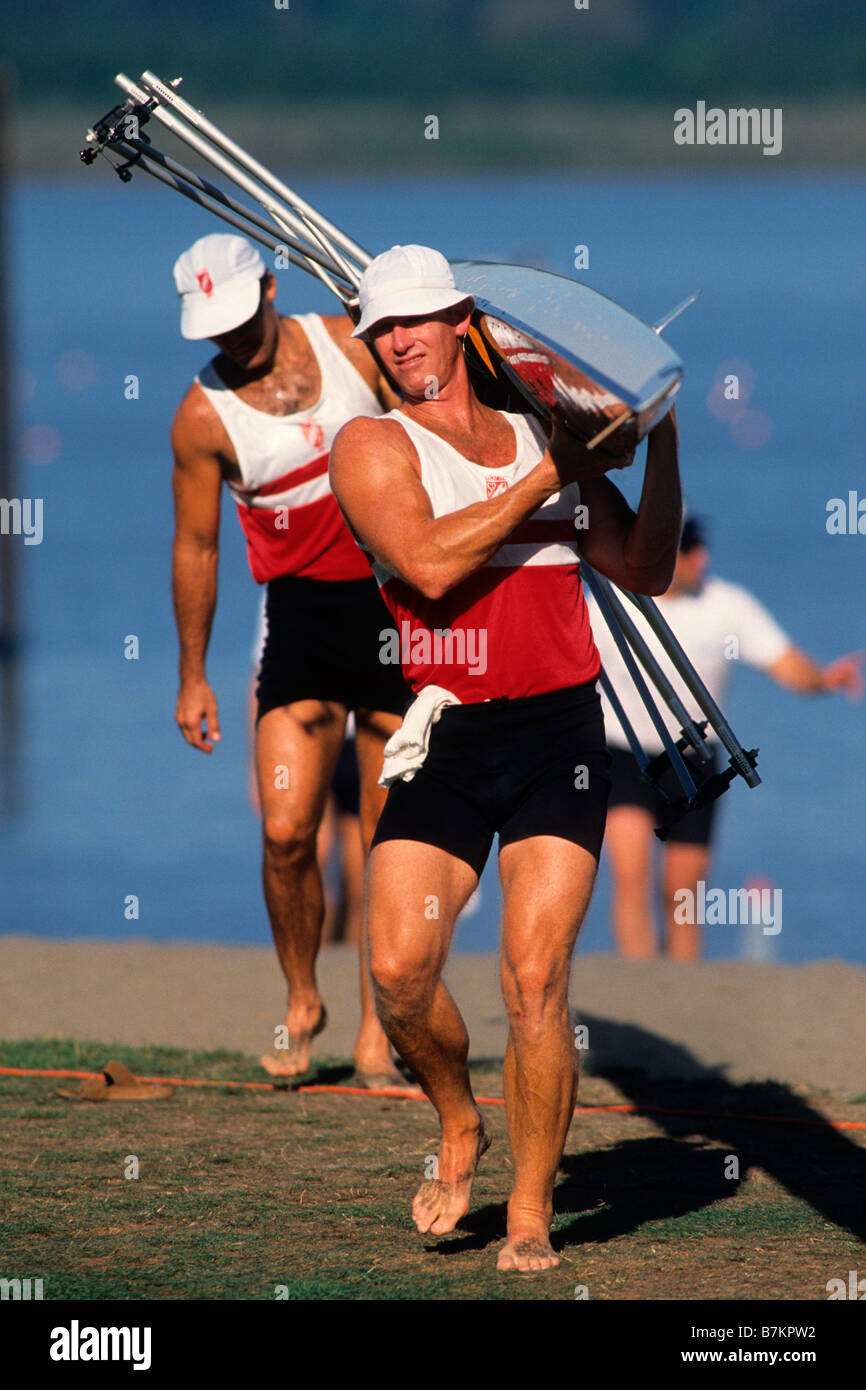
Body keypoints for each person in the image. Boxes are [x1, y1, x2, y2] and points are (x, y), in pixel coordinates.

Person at [330, 244, 682, 1272]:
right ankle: (455, 1114)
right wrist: (550, 475)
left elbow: (644, 570)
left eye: (414, 323)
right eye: (380, 331)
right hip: (445, 731)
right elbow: (429, 567)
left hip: (557, 735)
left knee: (534, 979)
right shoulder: (373, 445)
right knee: (398, 971)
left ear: (461, 323)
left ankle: (528, 1214)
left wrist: (657, 443)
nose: (398, 344)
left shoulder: (544, 428)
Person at [170, 232, 415, 1088]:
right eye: (213, 328)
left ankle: (379, 1028)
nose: (230, 341)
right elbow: (197, 547)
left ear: (271, 287)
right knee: (284, 834)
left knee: (389, 840)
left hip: (392, 617)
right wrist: (193, 672)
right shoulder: (202, 418)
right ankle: (302, 995)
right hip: (299, 625)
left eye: (240, 318)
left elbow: (432, 424)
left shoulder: (353, 343)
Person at [587, 515, 863, 962]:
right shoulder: (613, 603)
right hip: (624, 755)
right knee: (632, 876)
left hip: (696, 761)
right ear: (661, 554)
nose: (703, 559)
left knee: (683, 894)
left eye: (702, 549)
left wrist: (825, 679)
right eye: (691, 551)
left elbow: (786, 663)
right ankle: (640, 986)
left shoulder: (727, 605)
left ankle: (681, 989)